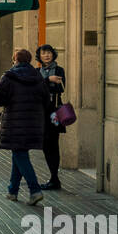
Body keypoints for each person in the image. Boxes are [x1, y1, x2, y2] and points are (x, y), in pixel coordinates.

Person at [0, 49, 51, 206]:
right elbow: (47, 101)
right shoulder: (38, 77)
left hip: (15, 123)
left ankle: (35, 190)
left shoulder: (9, 76)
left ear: (15, 60)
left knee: (20, 154)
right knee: (18, 154)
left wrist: (9, 100)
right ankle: (12, 191)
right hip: (34, 123)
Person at [37, 44, 67, 190]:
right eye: (43, 53)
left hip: (54, 111)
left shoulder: (59, 70)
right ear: (40, 56)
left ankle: (54, 178)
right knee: (44, 144)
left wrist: (48, 83)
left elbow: (60, 88)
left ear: (53, 54)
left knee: (53, 143)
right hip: (40, 111)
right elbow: (35, 88)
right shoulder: (37, 71)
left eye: (49, 53)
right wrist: (49, 80)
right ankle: (53, 178)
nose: (47, 55)